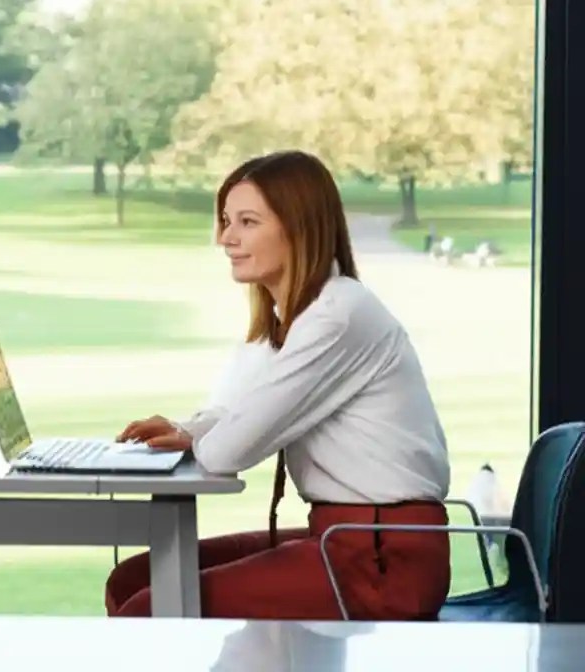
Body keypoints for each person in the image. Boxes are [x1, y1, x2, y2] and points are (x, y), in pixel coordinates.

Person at [106, 150, 452, 620]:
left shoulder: (337, 316)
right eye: (227, 220)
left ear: (299, 227)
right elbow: (233, 411)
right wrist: (187, 431)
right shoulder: (293, 318)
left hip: (382, 560)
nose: (226, 237)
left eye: (247, 222)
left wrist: (202, 439)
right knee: (134, 579)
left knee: (151, 608)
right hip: (343, 538)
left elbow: (229, 450)